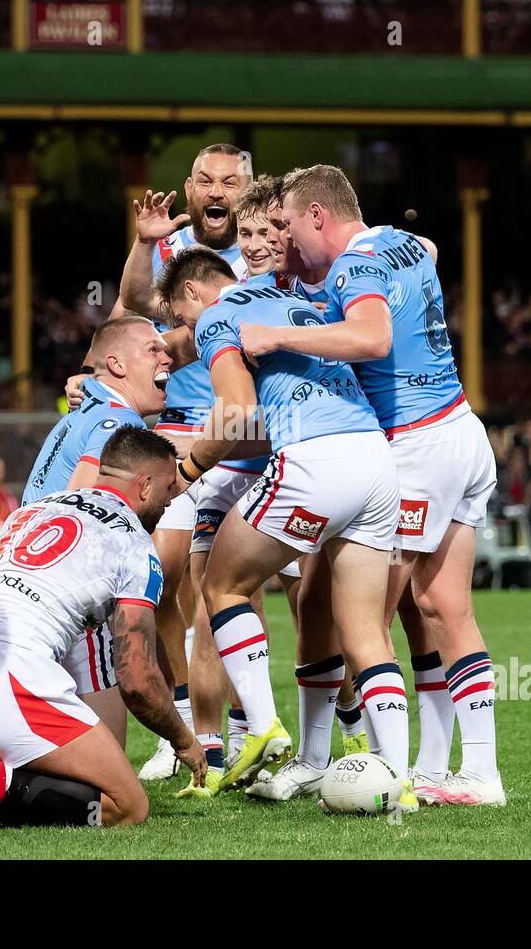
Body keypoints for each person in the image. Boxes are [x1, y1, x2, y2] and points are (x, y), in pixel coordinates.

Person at [240, 165, 505, 806]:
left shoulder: (357, 265)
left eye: (292, 226)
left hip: (415, 445)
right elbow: (430, 253)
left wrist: (276, 332)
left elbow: (372, 335)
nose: (289, 241)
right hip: (462, 433)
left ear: (319, 217)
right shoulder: (399, 241)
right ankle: (467, 771)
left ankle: (368, 765)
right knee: (444, 607)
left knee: (366, 617)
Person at [154, 245, 416, 813]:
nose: (186, 331)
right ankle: (399, 781)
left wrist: (188, 469)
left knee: (221, 587)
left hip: (312, 463)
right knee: (364, 630)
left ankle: (265, 727)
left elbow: (237, 408)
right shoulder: (304, 297)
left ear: (196, 295)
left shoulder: (221, 315)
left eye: (181, 317)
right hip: (374, 460)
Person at [0, 428, 205, 833]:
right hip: (8, 680)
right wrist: (184, 739)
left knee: (74, 781)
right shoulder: (134, 544)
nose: (171, 499)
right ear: (144, 485)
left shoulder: (33, 510)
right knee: (127, 806)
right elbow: (137, 680)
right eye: (168, 488)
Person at [117, 144, 275, 781]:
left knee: (246, 591)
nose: (218, 191)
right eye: (206, 180)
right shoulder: (171, 255)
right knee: (164, 585)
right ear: (188, 189)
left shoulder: (268, 253)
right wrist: (141, 243)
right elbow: (129, 315)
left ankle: (245, 732)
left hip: (254, 440)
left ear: (250, 191)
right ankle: (188, 730)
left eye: (230, 182)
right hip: (177, 440)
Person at [22, 315, 173, 746]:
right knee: (113, 783)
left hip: (25, 580)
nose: (167, 357)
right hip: (66, 591)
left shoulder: (89, 410)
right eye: (153, 349)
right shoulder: (116, 423)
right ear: (118, 365)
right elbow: (85, 504)